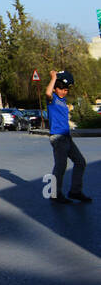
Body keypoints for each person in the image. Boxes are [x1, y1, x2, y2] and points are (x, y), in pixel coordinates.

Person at [45, 70, 89, 204]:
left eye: (66, 90)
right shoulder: (52, 100)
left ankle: (75, 191)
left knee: (80, 162)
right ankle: (54, 193)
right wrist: (53, 78)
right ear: (55, 88)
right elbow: (47, 93)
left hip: (66, 137)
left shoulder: (63, 102)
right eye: (61, 89)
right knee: (61, 165)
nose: (64, 92)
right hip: (57, 137)